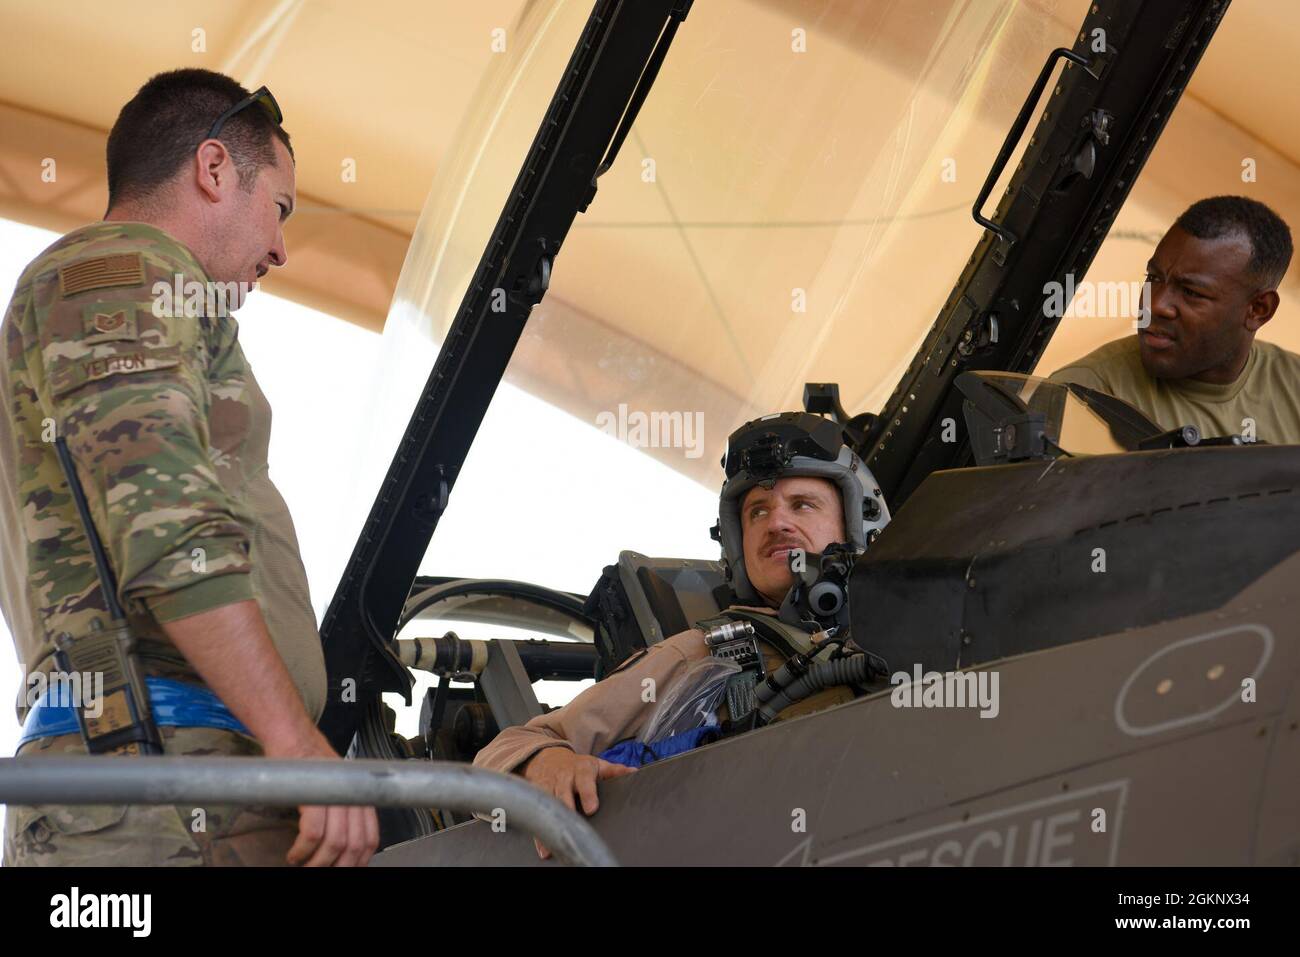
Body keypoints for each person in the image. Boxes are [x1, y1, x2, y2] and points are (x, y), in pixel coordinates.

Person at [0, 69, 377, 866]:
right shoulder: (122, 269)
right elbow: (167, 529)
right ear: (212, 170)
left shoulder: (140, 292)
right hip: (160, 787)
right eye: (277, 208)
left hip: (178, 782)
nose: (279, 248)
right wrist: (295, 741)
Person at [472, 411, 890, 857]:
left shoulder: (915, 632)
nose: (776, 524)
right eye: (757, 512)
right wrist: (547, 763)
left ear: (855, 521)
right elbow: (506, 750)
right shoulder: (706, 654)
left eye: (802, 505)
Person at [1049, 195, 1300, 444]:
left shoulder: (1293, 384)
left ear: (1259, 309)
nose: (1155, 305)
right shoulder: (1081, 395)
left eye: (1191, 292)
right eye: (1154, 278)